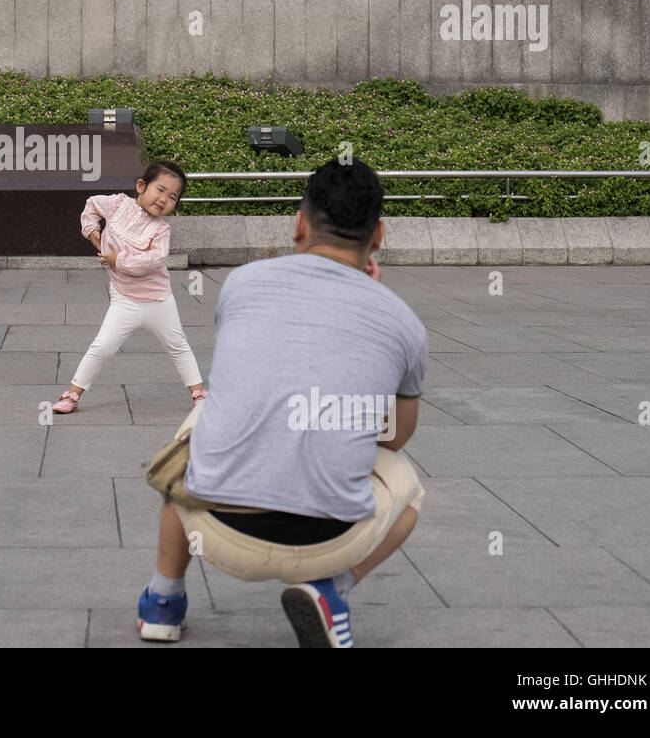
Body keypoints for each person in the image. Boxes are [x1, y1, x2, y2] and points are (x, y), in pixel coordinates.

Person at [137, 158, 429, 647]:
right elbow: (396, 436)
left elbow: (263, 366)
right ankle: (332, 589)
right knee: (410, 490)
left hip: (215, 532)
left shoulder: (242, 283)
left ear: (299, 224)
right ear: (378, 235)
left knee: (200, 422)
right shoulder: (405, 324)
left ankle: (163, 601)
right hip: (331, 544)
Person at [52, 161, 205, 414]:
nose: (163, 199)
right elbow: (91, 205)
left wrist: (117, 260)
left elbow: (151, 261)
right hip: (125, 300)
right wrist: (92, 230)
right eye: (160, 190)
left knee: (178, 345)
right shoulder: (118, 204)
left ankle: (199, 393)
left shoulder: (161, 230)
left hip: (159, 302)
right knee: (102, 346)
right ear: (141, 186)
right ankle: (72, 395)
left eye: (172, 197)